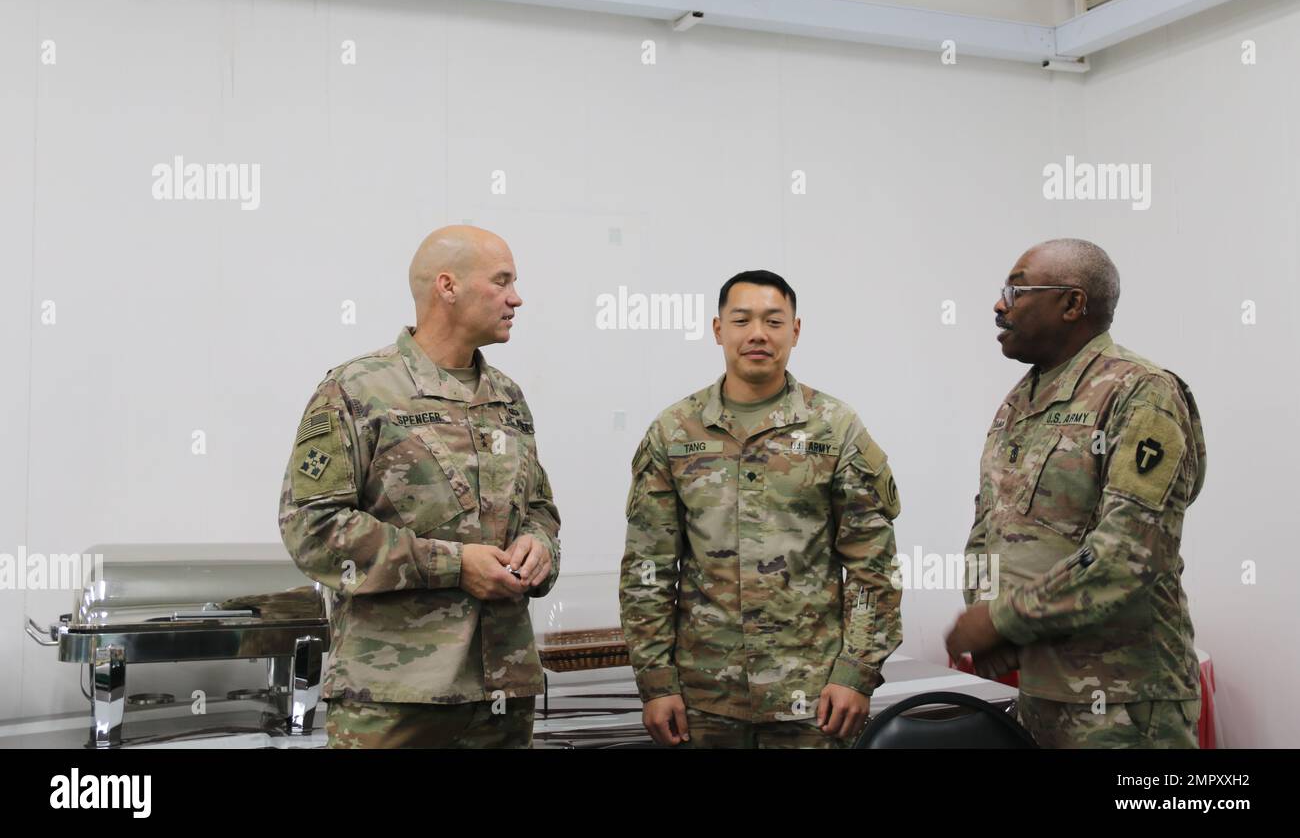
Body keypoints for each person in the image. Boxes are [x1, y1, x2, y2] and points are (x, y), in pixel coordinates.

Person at [278, 225, 560, 748]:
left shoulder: (509, 398)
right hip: (395, 700)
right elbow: (313, 529)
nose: (516, 298)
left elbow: (539, 509)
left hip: (503, 691)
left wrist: (540, 547)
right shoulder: (357, 390)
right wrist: (454, 565)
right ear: (447, 287)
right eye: (502, 282)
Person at [620, 269, 902, 748]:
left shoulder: (835, 428)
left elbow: (871, 567)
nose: (757, 334)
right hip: (704, 699)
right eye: (742, 320)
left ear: (795, 330)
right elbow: (648, 568)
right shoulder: (675, 431)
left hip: (813, 697)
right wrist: (655, 681)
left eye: (773, 321)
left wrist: (857, 671)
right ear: (717, 330)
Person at [946, 238, 1205, 748]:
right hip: (1043, 691)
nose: (1000, 305)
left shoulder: (1141, 390)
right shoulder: (1020, 400)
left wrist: (999, 620)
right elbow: (990, 526)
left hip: (1125, 701)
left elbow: (1127, 553)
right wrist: (987, 607)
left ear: (1072, 303)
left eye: (1016, 289)